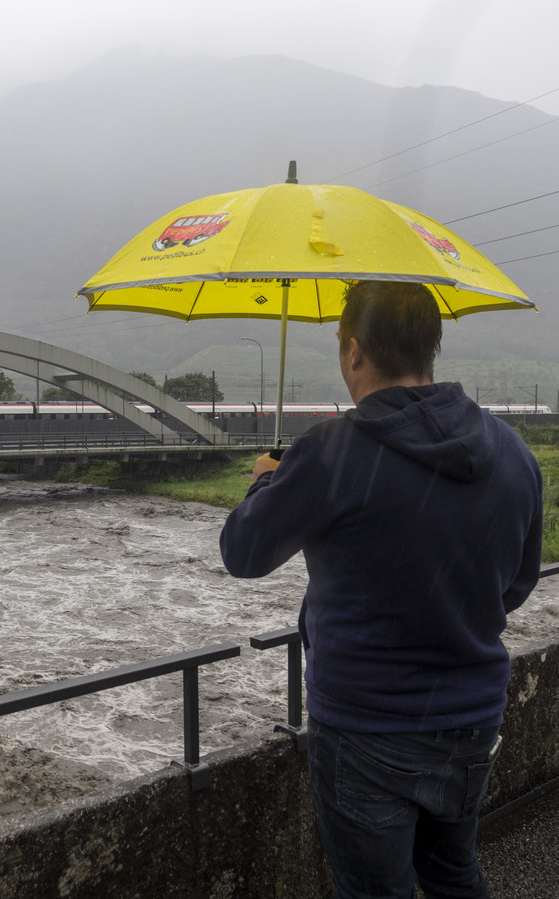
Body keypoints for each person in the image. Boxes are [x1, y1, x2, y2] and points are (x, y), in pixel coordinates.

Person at [219, 280, 542, 898]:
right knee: (453, 872)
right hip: (474, 718)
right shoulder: (511, 451)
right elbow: (517, 584)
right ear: (431, 347)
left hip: (365, 728)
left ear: (355, 351)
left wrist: (264, 483)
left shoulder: (332, 453)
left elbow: (243, 553)